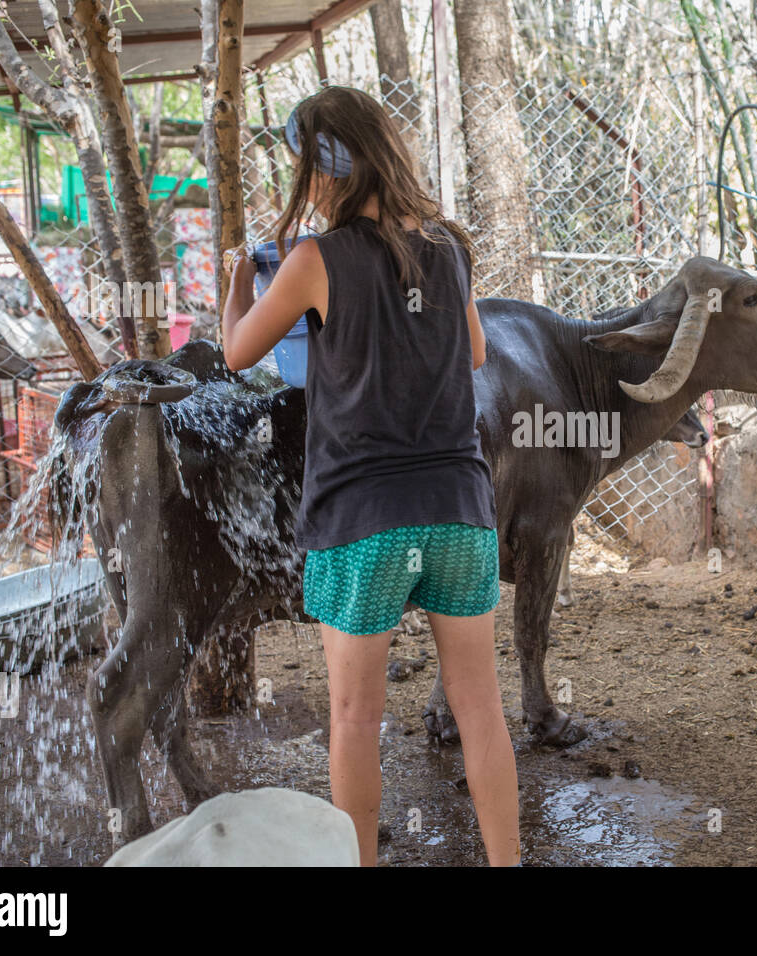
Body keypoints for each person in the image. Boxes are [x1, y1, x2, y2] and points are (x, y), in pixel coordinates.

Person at [220, 86, 520, 867]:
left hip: (364, 523)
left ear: (326, 170)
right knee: (482, 712)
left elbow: (239, 354)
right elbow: (477, 354)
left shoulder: (315, 260)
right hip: (458, 509)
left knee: (355, 719)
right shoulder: (451, 248)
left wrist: (237, 282)